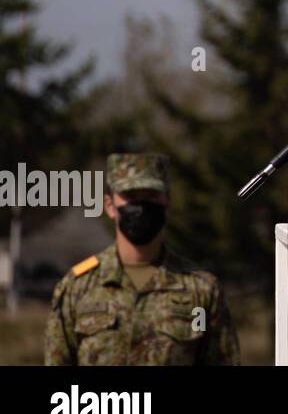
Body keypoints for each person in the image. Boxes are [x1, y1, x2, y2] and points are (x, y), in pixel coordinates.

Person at [45, 152, 240, 365]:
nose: (141, 207)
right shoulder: (77, 288)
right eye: (131, 196)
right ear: (109, 205)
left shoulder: (200, 292)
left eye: (151, 196)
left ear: (167, 202)